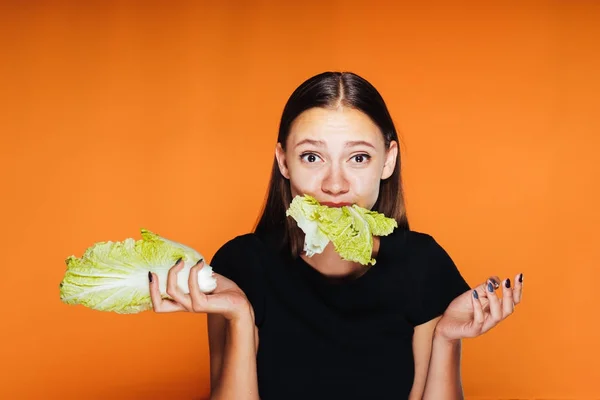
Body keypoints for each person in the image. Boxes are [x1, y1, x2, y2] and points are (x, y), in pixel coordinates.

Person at [148, 71, 524, 400]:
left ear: (387, 161)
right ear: (284, 162)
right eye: (312, 157)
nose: (334, 184)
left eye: (358, 158)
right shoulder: (241, 264)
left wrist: (446, 338)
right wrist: (240, 317)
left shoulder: (423, 265)